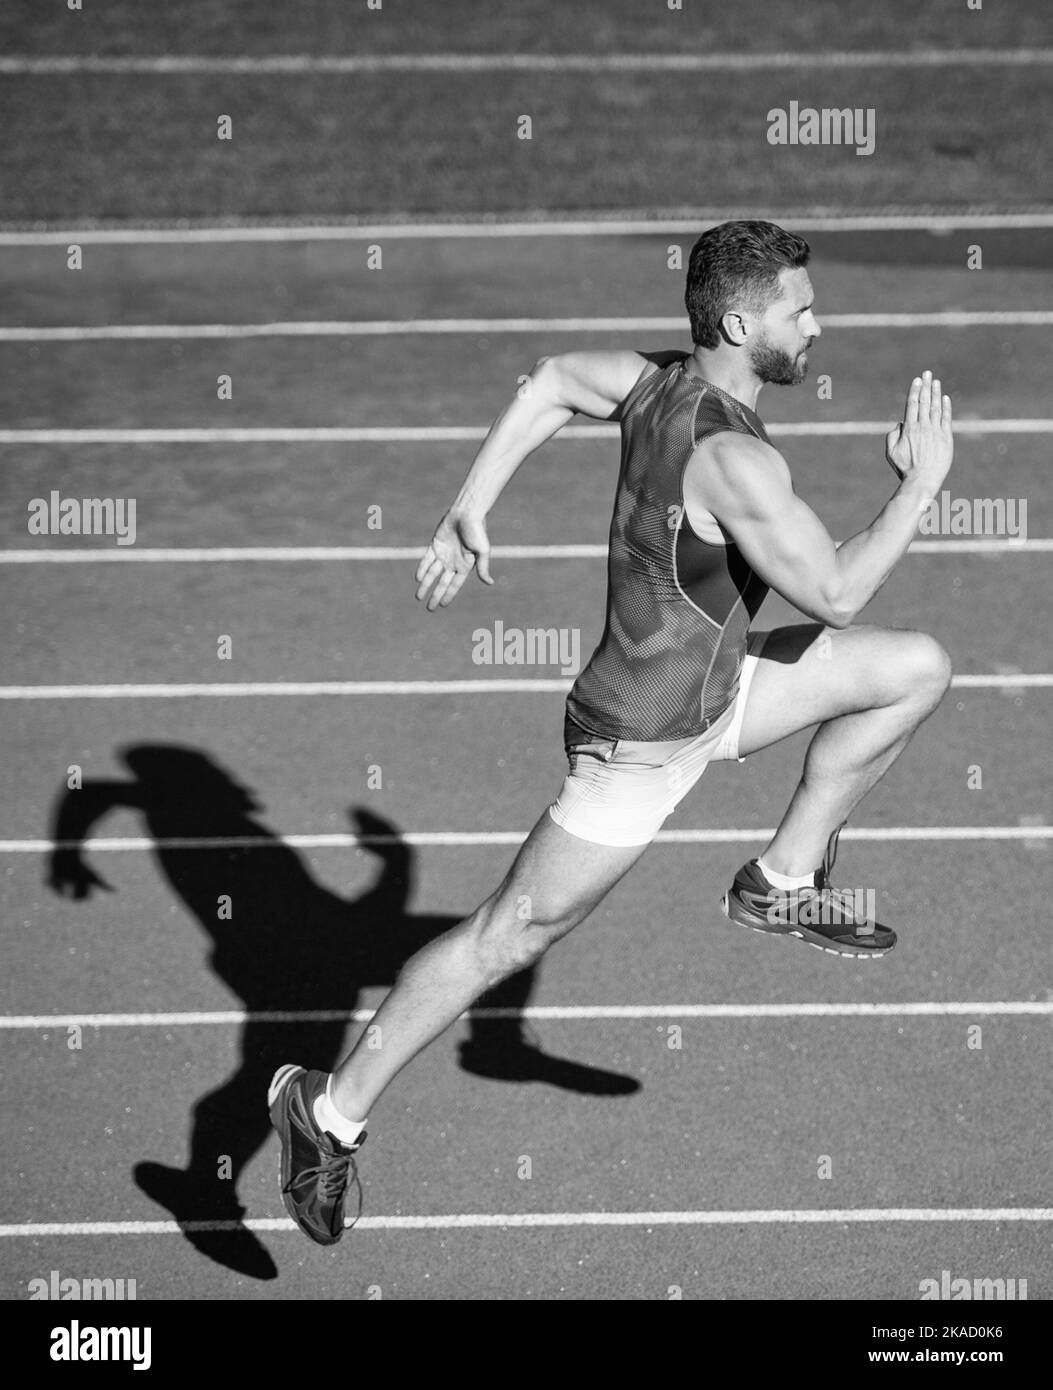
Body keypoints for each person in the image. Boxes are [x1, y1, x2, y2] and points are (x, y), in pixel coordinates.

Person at [269, 220, 954, 1246]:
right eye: (799, 308)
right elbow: (842, 590)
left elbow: (548, 381)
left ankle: (781, 880)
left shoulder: (653, 382)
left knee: (917, 669)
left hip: (715, 696)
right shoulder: (733, 460)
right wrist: (920, 486)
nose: (819, 323)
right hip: (635, 746)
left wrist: (470, 506)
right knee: (509, 934)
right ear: (738, 320)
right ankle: (324, 1111)